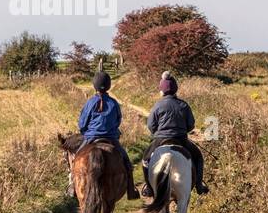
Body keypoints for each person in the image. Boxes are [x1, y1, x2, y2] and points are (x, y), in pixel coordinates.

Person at [64, 70, 140, 200]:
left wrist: (86, 131)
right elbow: (117, 120)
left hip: (91, 138)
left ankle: (72, 186)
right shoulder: (114, 103)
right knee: (126, 162)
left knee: (77, 158)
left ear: (95, 86)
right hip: (111, 138)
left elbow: (82, 123)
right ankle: (131, 190)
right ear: (109, 85)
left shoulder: (90, 102)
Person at [142, 72, 208, 195]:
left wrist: (158, 132)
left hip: (160, 140)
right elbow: (191, 125)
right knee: (198, 157)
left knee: (145, 160)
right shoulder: (183, 105)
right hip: (181, 139)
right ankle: (199, 185)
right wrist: (183, 131)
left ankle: (149, 188)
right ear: (175, 89)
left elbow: (151, 125)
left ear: (161, 90)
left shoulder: (157, 105)